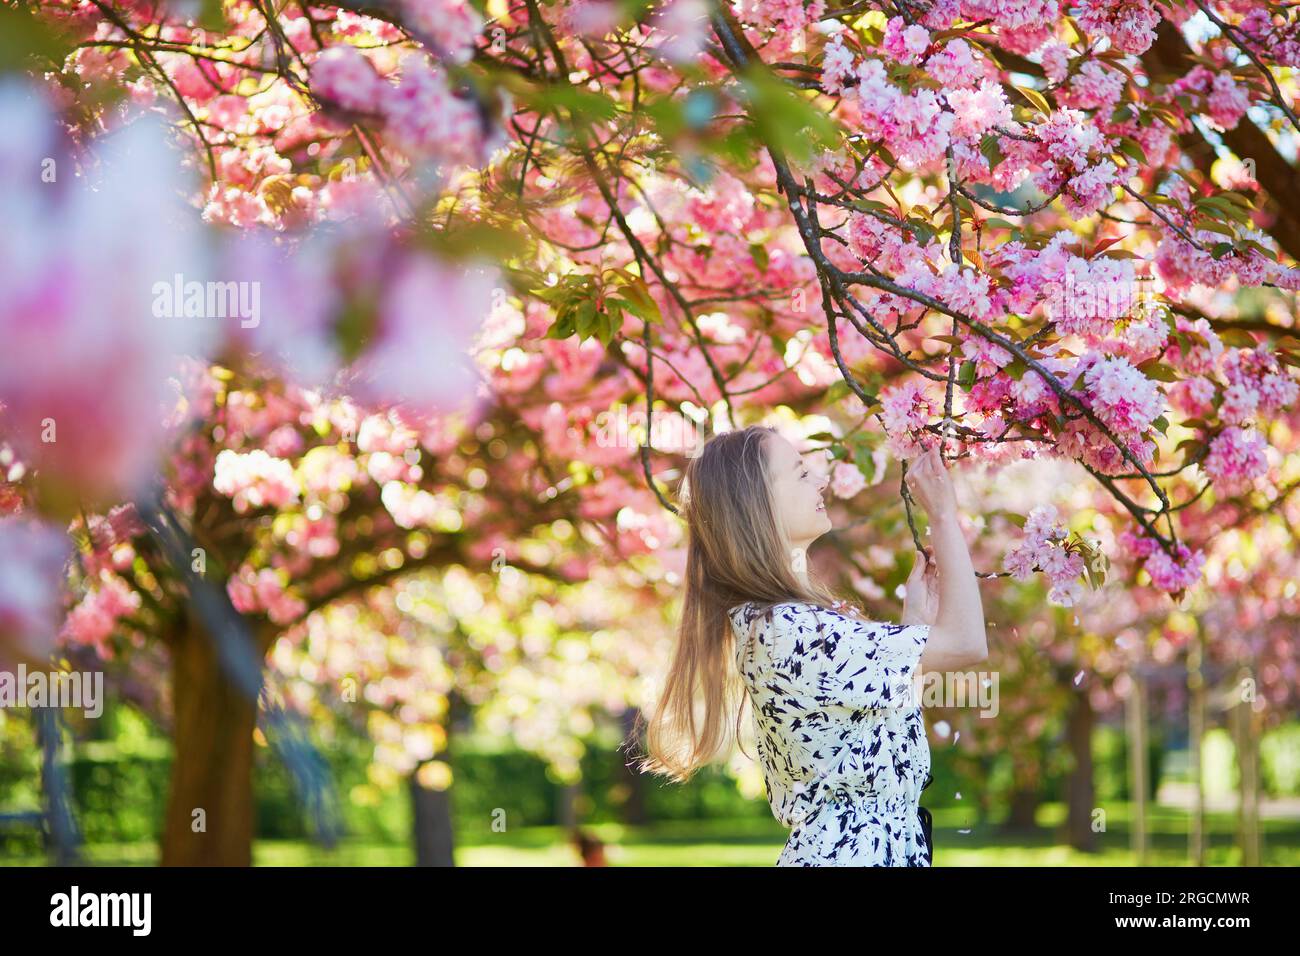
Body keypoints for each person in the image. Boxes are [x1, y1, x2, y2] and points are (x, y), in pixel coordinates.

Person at [634, 424, 987, 865]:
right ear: (757, 503)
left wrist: (914, 622)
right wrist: (942, 517)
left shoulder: (782, 624)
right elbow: (968, 644)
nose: (821, 480)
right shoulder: (789, 630)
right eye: (800, 473)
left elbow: (864, 730)